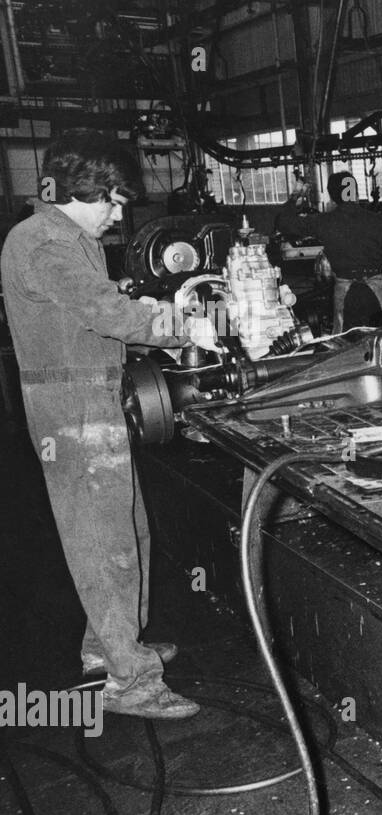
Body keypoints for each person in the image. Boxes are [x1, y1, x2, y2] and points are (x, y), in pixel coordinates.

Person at [0, 129, 199, 719]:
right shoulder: (42, 242)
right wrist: (181, 326)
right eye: (110, 200)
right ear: (81, 191)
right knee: (102, 539)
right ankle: (128, 681)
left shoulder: (66, 236)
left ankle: (110, 646)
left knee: (126, 528)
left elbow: (103, 304)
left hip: (91, 396)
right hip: (71, 406)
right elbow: (106, 312)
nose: (117, 214)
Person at [277, 170, 382, 332]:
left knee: (340, 338)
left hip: (344, 287)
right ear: (355, 193)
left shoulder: (323, 222)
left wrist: (296, 195)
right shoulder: (380, 221)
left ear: (332, 197)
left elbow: (283, 223)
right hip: (376, 286)